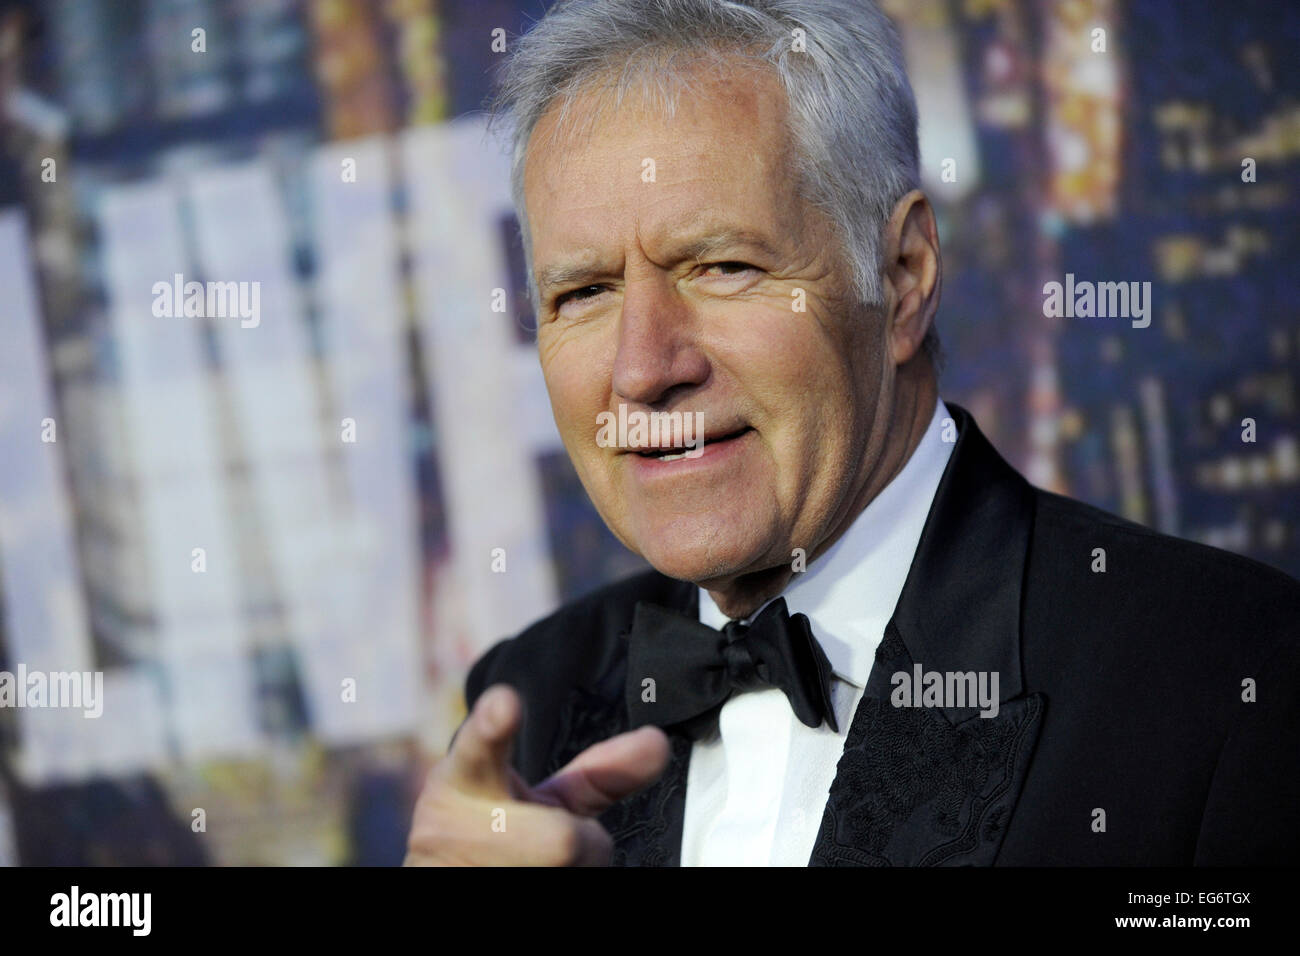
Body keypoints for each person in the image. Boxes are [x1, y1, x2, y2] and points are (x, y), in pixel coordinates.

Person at [405, 0, 1300, 866]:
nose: (643, 368)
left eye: (722, 266)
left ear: (903, 276)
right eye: (585, 293)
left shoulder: (1229, 679)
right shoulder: (526, 701)